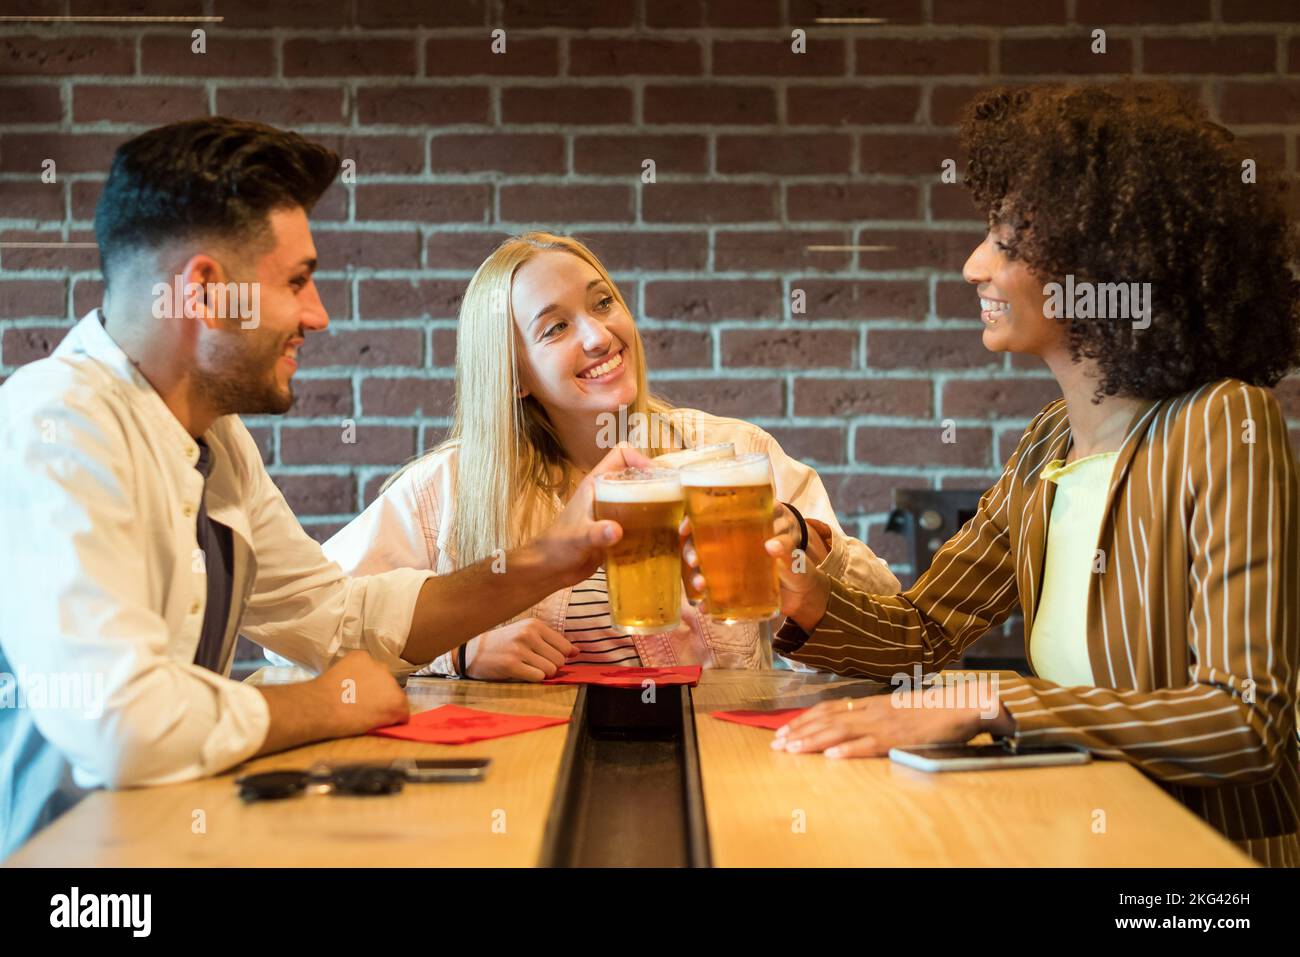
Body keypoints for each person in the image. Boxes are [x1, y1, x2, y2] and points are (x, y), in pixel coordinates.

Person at [693, 85, 1300, 866]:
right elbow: (925, 634)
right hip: (1080, 833)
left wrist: (989, 700)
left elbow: (1246, 722)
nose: (974, 264)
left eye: (1007, 243)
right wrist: (807, 591)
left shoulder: (1224, 422)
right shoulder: (1048, 442)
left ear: (1108, 264)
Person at [0, 119, 640, 859]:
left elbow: (335, 617)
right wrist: (329, 701)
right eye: (297, 281)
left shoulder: (217, 441)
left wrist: (554, 557)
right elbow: (122, 724)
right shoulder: (54, 423)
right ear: (206, 293)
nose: (318, 313)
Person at [318, 232, 900, 680]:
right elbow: (310, 626)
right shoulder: (449, 487)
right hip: (534, 776)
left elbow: (887, 628)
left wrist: (807, 551)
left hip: (723, 763)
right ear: (513, 374)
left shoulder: (736, 455)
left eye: (603, 303)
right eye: (555, 328)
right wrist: (454, 651)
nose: (598, 337)